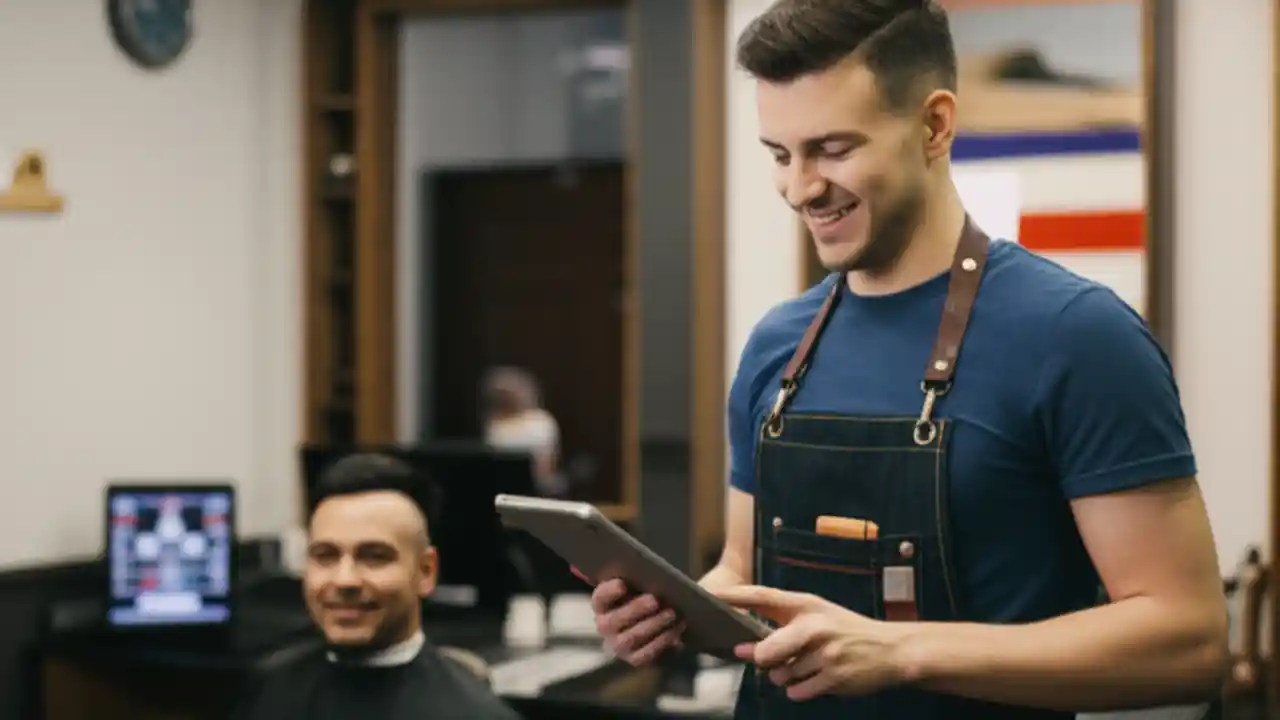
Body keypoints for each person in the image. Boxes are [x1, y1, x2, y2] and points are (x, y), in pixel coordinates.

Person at [587, 1, 1228, 718]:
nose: (799, 188)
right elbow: (743, 571)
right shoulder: (778, 346)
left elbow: (1187, 640)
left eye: (832, 149)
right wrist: (679, 613)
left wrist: (902, 653)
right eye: (779, 154)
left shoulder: (1079, 338)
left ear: (934, 125)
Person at [231, 453, 522, 720]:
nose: (345, 580)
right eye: (325, 556)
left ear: (425, 572)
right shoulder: (269, 687)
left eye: (374, 557)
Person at [482, 366, 567, 497]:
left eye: (509, 393)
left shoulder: (540, 419)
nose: (505, 398)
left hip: (535, 484)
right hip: (499, 483)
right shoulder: (495, 422)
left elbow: (547, 460)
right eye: (501, 395)